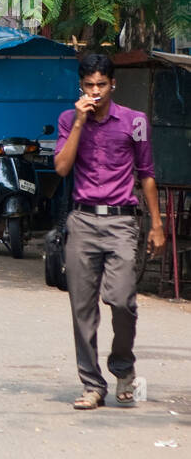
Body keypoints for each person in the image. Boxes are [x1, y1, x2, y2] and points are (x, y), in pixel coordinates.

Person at [53, 53, 165, 410]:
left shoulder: (135, 122)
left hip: (121, 221)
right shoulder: (69, 119)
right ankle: (92, 385)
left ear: (112, 84)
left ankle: (122, 367)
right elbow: (61, 168)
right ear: (80, 87)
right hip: (83, 221)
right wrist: (79, 123)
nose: (96, 91)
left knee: (121, 301)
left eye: (102, 84)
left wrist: (157, 224)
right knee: (82, 308)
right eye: (89, 86)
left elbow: (146, 173)